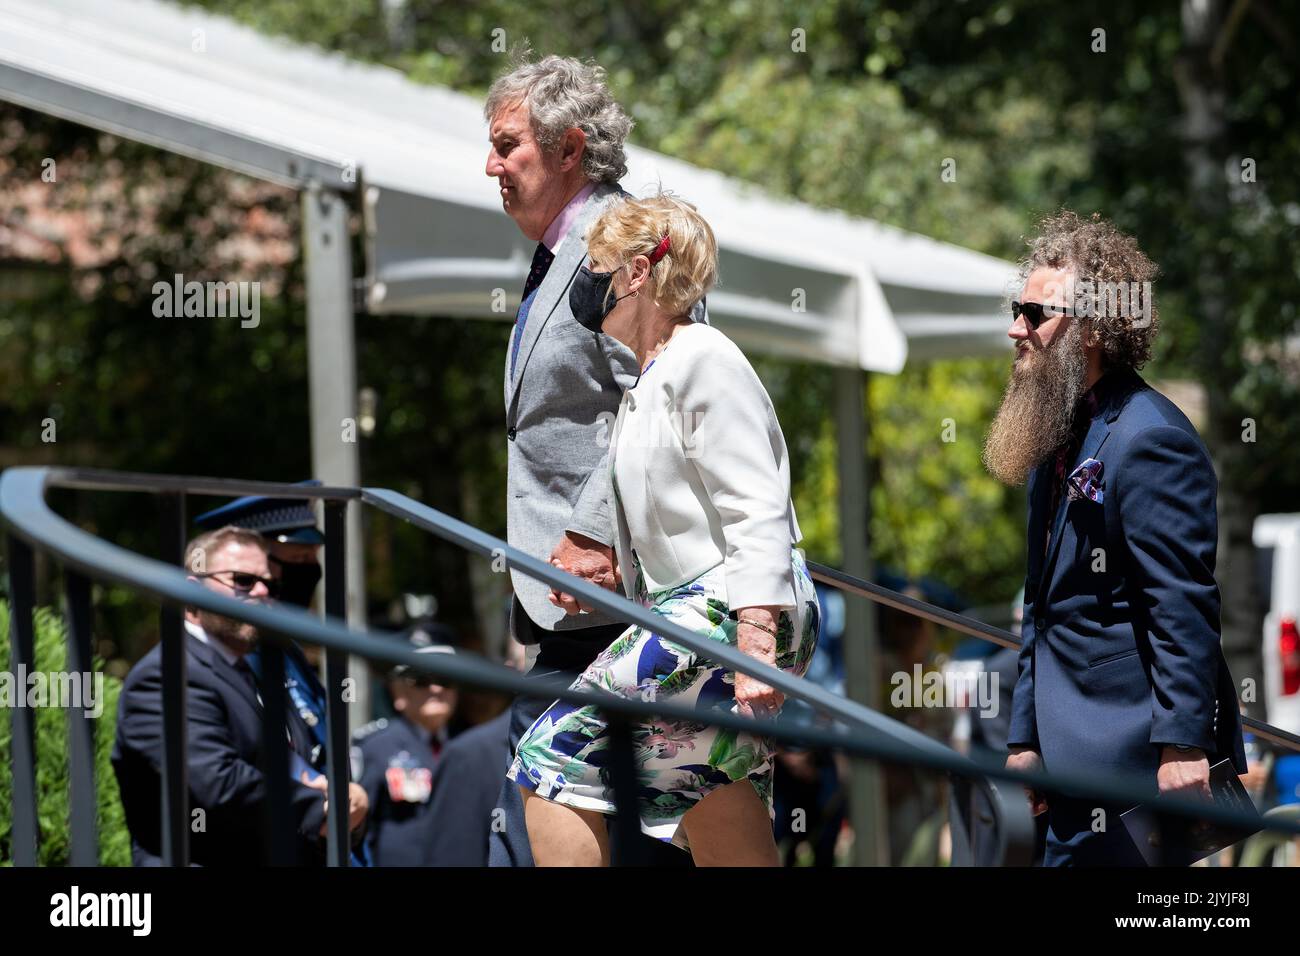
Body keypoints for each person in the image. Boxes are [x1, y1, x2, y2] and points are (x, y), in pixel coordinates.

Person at [507, 193, 820, 866]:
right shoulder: (650, 380)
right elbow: (682, 521)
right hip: (713, 610)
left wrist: (755, 647)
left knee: (549, 760)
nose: (585, 286)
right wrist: (612, 576)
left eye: (596, 268)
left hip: (734, 611)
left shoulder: (703, 357)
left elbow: (756, 505)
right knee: (715, 792)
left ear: (640, 271)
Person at [483, 53, 706, 866]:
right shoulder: (556, 250)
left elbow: (659, 394)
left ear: (570, 148)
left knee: (600, 806)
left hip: (615, 597)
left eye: (509, 146)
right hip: (571, 606)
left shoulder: (625, 243)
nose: (491, 165)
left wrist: (593, 530)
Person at [985, 210, 1247, 865]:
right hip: (1064, 764)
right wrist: (1025, 736)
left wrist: (1184, 745)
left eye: (1036, 314)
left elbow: (1181, 603)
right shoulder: (1057, 432)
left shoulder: (1149, 439)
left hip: (1132, 765)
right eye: (1017, 309)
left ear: (1095, 329)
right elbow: (1041, 603)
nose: (1017, 327)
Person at [112, 526, 367, 865]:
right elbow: (216, 783)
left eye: (269, 584)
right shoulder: (165, 674)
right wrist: (317, 808)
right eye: (243, 581)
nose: (262, 592)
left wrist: (344, 802)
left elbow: (301, 762)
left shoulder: (249, 669)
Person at [352, 627, 459, 866]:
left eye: (446, 678)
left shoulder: (472, 744)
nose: (436, 689)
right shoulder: (374, 748)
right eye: (422, 680)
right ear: (397, 691)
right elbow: (358, 830)